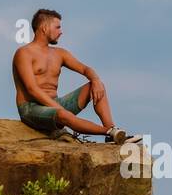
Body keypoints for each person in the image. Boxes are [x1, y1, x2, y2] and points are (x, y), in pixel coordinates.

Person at [12, 9, 142, 144]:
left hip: (55, 104)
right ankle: (110, 132)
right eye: (57, 27)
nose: (61, 32)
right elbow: (32, 89)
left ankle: (111, 130)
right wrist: (60, 110)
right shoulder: (24, 53)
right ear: (44, 28)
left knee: (96, 85)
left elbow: (85, 69)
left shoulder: (60, 53)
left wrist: (95, 80)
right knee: (62, 114)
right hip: (30, 108)